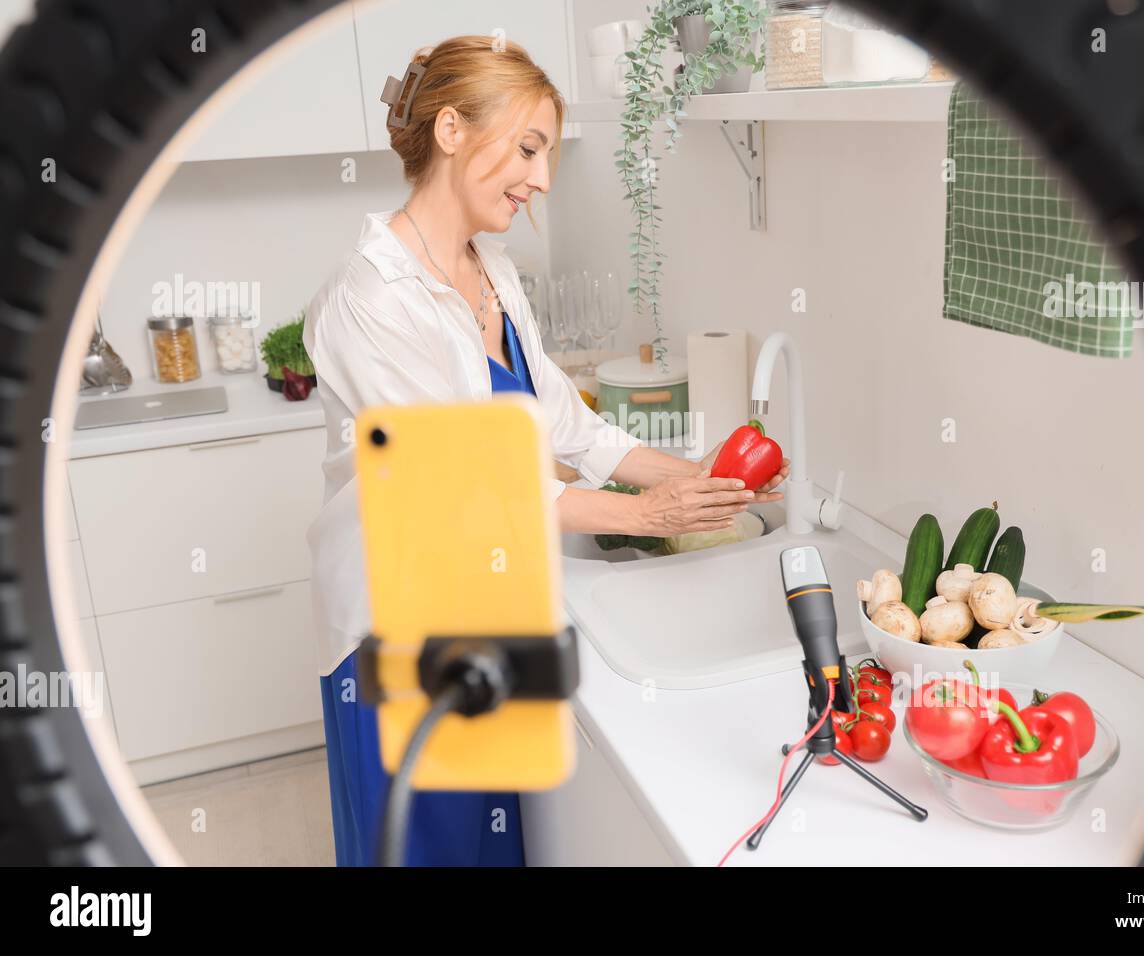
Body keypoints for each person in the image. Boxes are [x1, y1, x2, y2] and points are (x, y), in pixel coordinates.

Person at [302, 36, 789, 866]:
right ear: (450, 130)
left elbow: (575, 430)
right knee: (424, 849)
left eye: (548, 155)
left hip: (492, 606)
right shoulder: (369, 301)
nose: (542, 179)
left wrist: (700, 477)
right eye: (528, 149)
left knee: (494, 843)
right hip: (402, 629)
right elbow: (458, 491)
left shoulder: (492, 271)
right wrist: (648, 514)